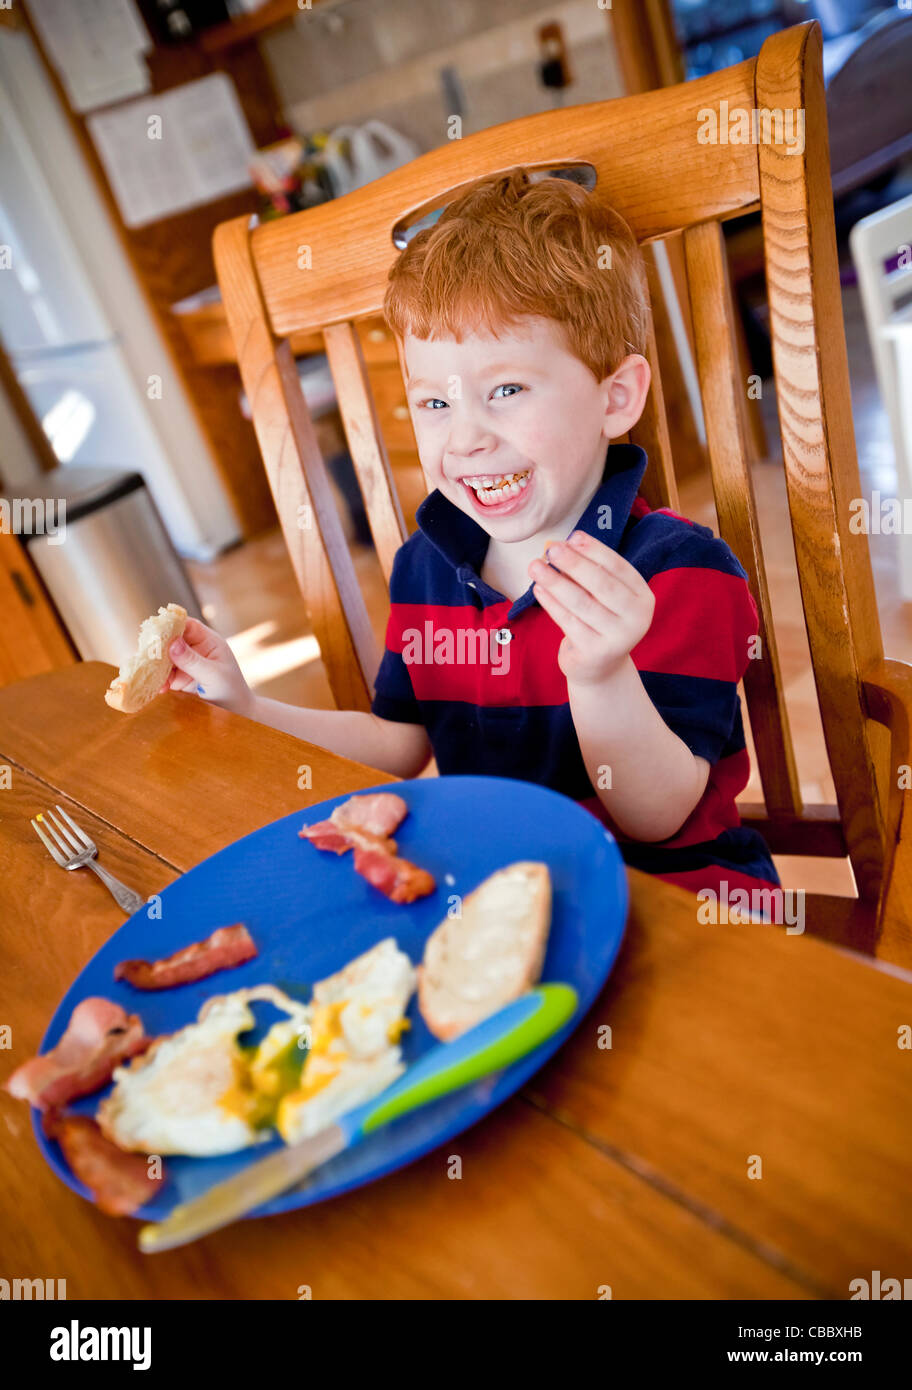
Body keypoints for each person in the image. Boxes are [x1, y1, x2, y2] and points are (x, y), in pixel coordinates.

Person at [165, 167, 780, 904]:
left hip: (675, 901)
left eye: (507, 391)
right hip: (491, 894)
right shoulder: (424, 568)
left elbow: (657, 818)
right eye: (432, 401)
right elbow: (400, 746)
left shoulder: (680, 572)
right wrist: (250, 707)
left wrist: (600, 675)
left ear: (616, 397)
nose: (465, 439)